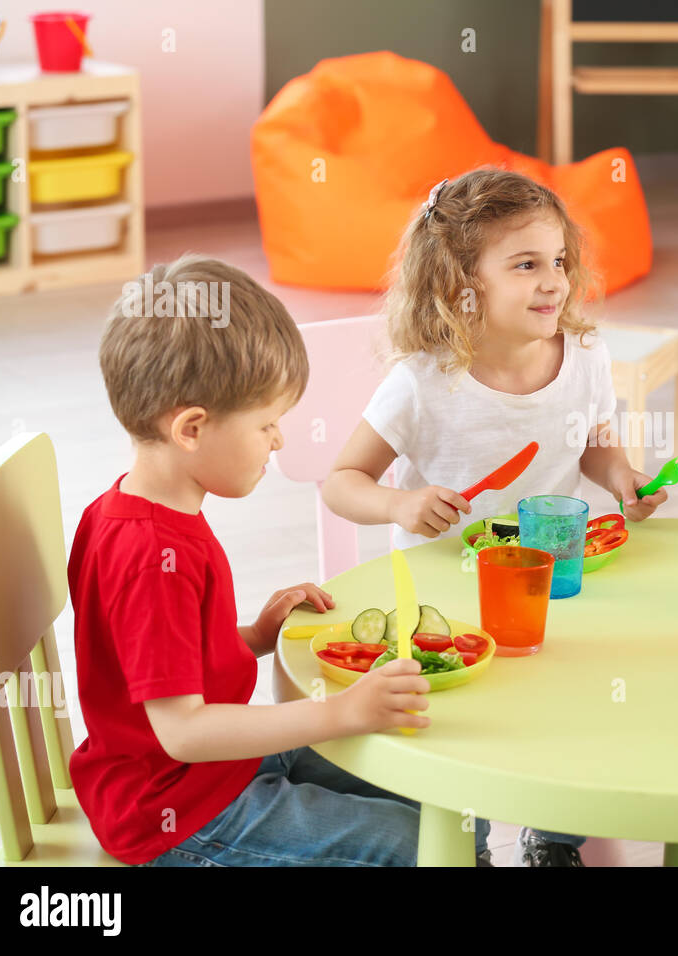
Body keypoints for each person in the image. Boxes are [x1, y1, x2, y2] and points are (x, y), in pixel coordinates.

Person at [69, 255, 489, 866]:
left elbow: (154, 663)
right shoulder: (148, 553)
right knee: (412, 847)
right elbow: (183, 731)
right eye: (266, 423)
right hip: (175, 813)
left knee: (453, 806)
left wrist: (256, 637)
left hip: (215, 772)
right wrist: (338, 711)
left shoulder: (136, 513)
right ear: (191, 427)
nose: (279, 440)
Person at [322, 168, 669, 865]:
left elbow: (595, 444)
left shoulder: (587, 358)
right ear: (461, 286)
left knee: (583, 694)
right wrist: (401, 503)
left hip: (552, 579)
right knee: (462, 725)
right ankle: (468, 845)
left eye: (559, 262)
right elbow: (341, 481)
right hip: (445, 596)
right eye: (525, 265)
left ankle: (555, 834)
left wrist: (623, 478)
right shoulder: (423, 382)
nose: (553, 282)